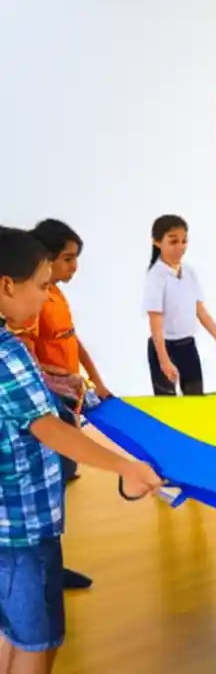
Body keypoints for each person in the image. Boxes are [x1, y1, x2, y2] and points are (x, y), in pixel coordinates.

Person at [0, 226, 162, 674]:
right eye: (41, 286)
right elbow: (48, 427)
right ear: (6, 286)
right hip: (22, 529)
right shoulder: (7, 352)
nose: (45, 297)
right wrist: (123, 466)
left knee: (13, 632)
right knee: (38, 643)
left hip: (9, 527)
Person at [9, 220, 108, 591]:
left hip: (66, 394)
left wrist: (93, 379)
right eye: (68, 259)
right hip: (51, 400)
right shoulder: (30, 306)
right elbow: (28, 355)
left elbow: (70, 340)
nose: (74, 267)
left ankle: (52, 561)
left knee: (59, 480)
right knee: (48, 481)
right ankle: (45, 565)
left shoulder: (56, 296)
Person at [144, 215, 216, 396]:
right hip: (164, 347)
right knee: (167, 405)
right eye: (173, 241)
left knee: (195, 398)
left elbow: (200, 311)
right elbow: (155, 321)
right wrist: (163, 360)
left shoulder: (189, 272)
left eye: (184, 241)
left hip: (187, 346)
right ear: (157, 242)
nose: (180, 247)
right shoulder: (156, 277)